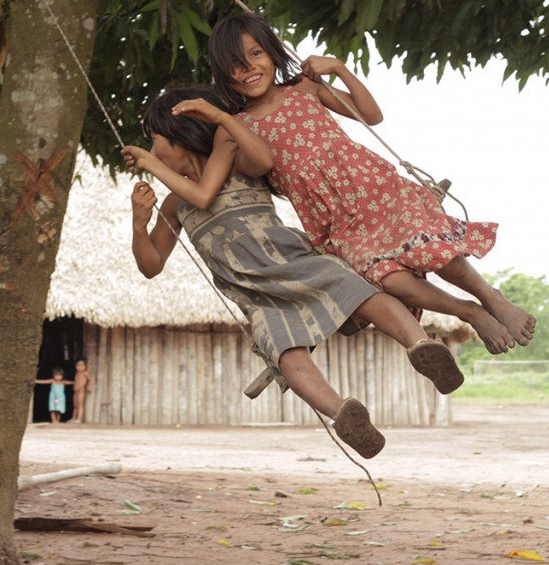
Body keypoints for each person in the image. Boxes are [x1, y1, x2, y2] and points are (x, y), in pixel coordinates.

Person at [123, 86, 466, 459]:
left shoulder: (235, 162)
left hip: (294, 261)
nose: (152, 152)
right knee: (285, 351)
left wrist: (156, 160)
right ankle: (343, 412)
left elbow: (259, 162)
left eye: (154, 142)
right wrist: (139, 225)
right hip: (257, 294)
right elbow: (151, 265)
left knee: (359, 292)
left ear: (180, 136)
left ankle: (421, 346)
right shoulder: (174, 204)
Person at [206, 13, 535, 355]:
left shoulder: (304, 89)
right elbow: (219, 181)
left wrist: (339, 68)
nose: (248, 69)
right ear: (223, 73)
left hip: (376, 188)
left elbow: (371, 115)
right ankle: (468, 310)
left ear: (273, 51)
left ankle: (488, 295)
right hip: (336, 221)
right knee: (389, 280)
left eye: (255, 54)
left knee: (433, 249)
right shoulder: (236, 126)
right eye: (235, 64)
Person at [71, 358, 94, 424]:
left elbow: (90, 380)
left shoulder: (85, 373)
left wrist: (90, 386)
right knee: (75, 405)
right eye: (78, 365)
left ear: (85, 366)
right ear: (75, 366)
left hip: (81, 391)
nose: (80, 367)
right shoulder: (77, 373)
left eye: (82, 365)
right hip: (76, 391)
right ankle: (73, 418)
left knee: (80, 405)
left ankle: (79, 419)